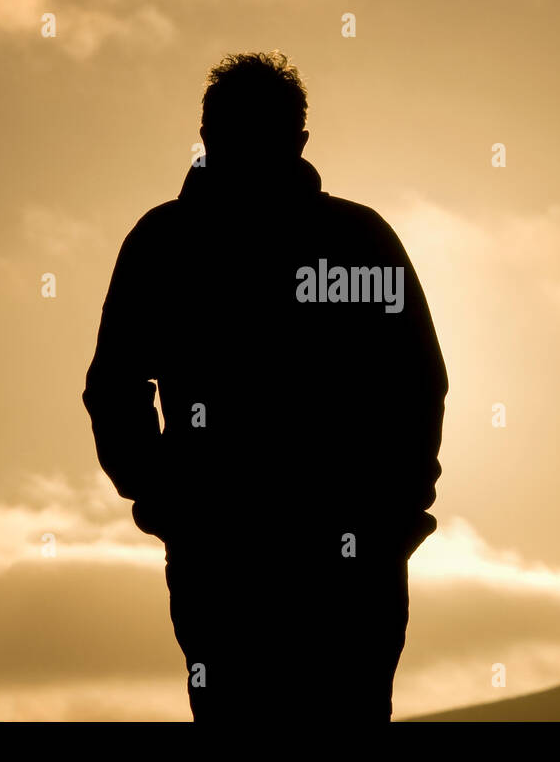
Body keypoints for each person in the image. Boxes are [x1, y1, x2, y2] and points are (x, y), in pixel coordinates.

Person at [82, 51, 447, 721]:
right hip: (241, 558)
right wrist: (164, 497)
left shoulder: (350, 240)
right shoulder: (170, 243)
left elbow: (416, 381)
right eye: (232, 132)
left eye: (258, 132)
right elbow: (115, 387)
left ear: (295, 141)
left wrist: (395, 514)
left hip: (323, 559)